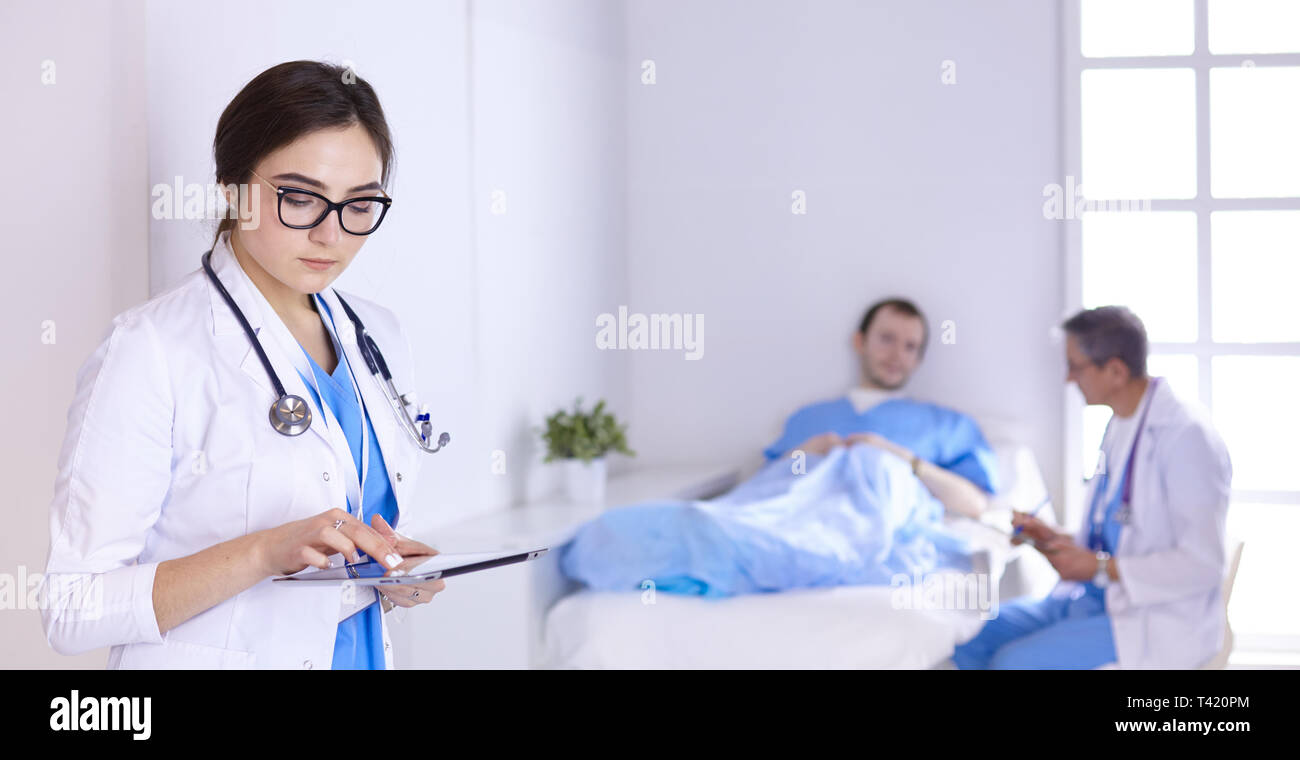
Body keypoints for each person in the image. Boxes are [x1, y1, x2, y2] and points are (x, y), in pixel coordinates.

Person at [41, 61, 445, 669]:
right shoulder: (150, 348)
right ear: (232, 186)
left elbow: (360, 548)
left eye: (359, 205)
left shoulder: (379, 335)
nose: (331, 234)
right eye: (300, 197)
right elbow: (72, 607)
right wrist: (262, 553)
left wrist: (395, 577)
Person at [953, 306, 1231, 669]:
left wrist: (1100, 567)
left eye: (1076, 366)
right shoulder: (1121, 424)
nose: (1069, 379)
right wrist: (1054, 538)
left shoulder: (1187, 437)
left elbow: (1204, 565)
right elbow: (1118, 534)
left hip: (1150, 619)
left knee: (1012, 664)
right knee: (971, 640)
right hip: (1095, 599)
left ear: (1115, 371)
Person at [762, 298, 999, 519]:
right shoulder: (810, 419)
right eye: (887, 339)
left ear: (918, 359)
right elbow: (763, 490)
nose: (896, 355)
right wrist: (809, 451)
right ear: (860, 342)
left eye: (910, 347)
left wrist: (904, 460)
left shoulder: (946, 425)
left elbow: (975, 504)